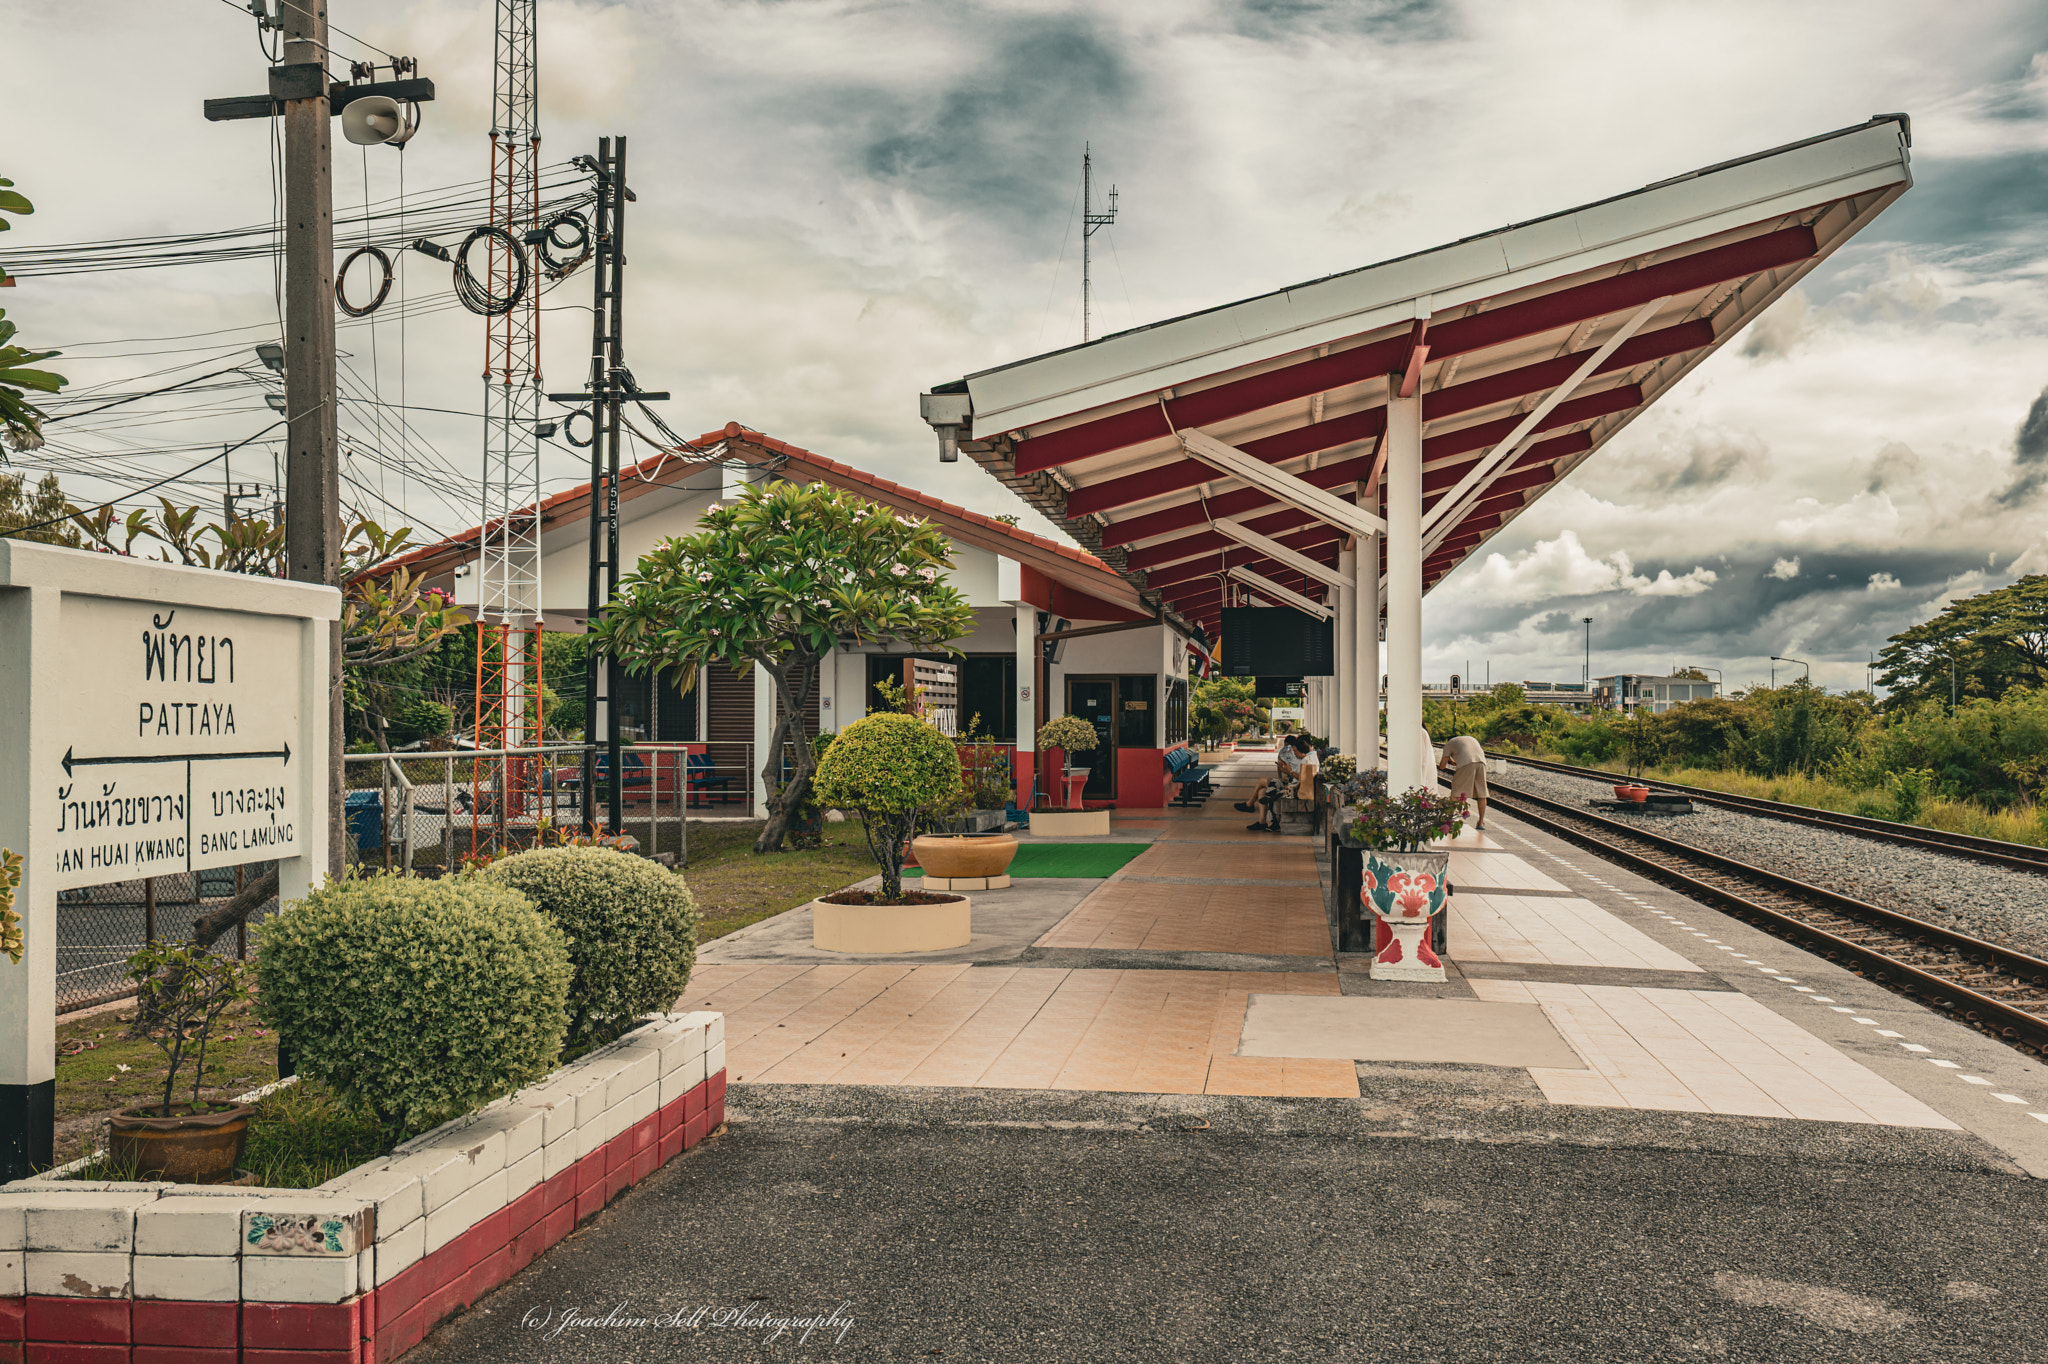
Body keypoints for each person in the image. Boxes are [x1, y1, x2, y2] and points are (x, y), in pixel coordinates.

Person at [1438, 731, 1488, 830]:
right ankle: (1481, 822)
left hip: (1466, 763)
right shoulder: (1470, 738)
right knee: (1482, 794)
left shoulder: (1449, 743)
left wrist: (1448, 760)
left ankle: (1449, 821)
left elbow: (1442, 766)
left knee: (1456, 792)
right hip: (1482, 763)